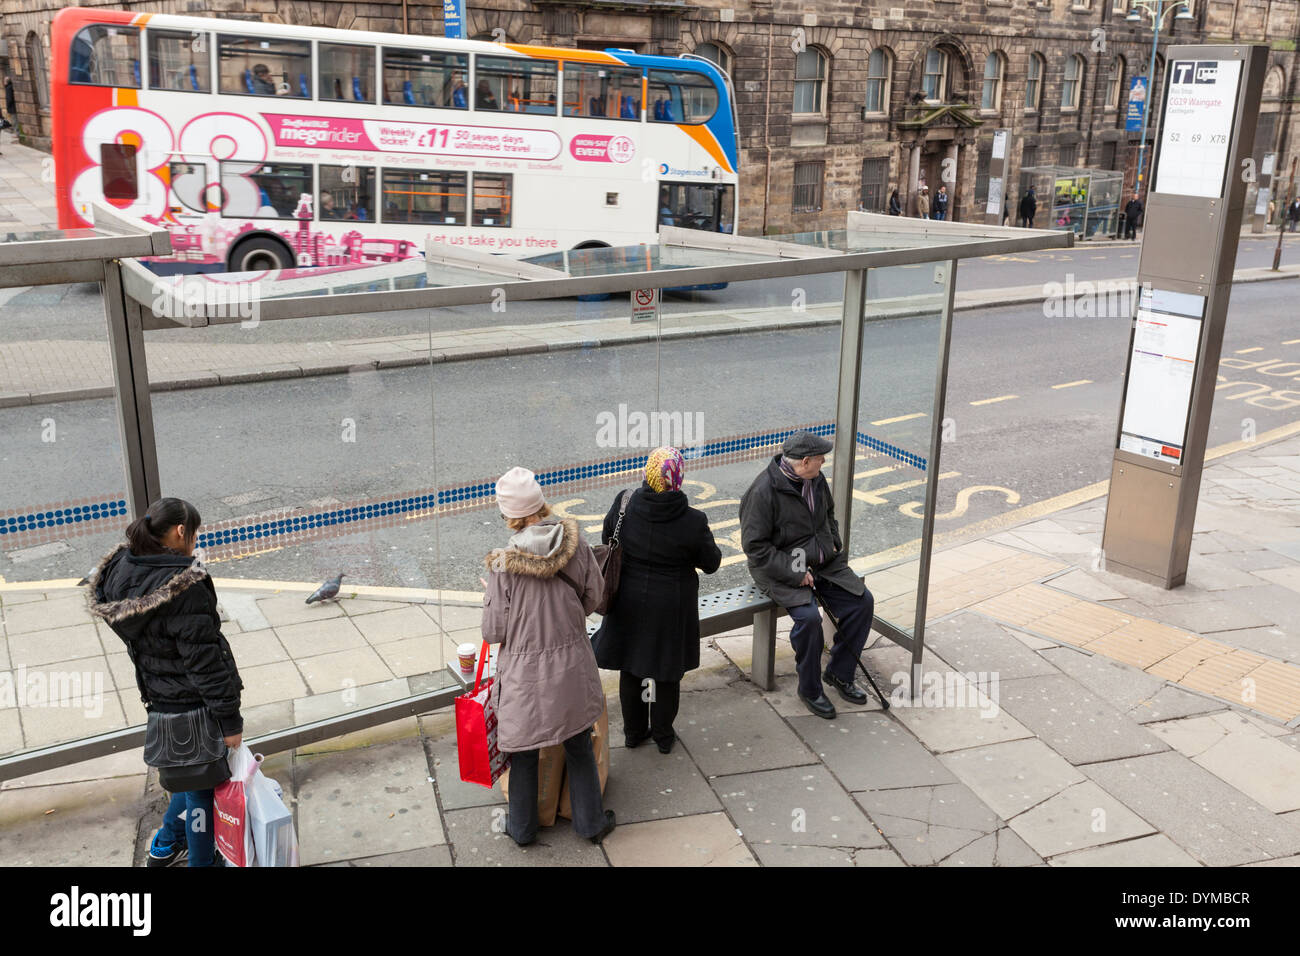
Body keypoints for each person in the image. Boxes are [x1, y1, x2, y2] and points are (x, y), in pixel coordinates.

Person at [87, 497, 243, 867]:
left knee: (190, 774)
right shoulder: (184, 586)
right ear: (179, 532)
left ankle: (165, 845)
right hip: (194, 702)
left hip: (158, 696)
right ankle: (202, 863)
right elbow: (204, 662)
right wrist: (230, 720)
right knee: (202, 793)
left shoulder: (122, 569)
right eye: (194, 533)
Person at [482, 467, 615, 846]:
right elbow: (593, 598)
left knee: (522, 750)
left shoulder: (502, 566)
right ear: (541, 505)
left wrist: (492, 595)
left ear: (510, 515)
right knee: (577, 743)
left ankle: (522, 830)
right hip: (573, 665)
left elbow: (493, 632)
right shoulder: (577, 544)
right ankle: (591, 824)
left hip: (525, 676)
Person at [592, 447, 721, 754]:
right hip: (671, 607)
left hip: (628, 601)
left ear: (647, 474)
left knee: (631, 666)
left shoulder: (625, 503)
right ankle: (663, 735)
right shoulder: (692, 521)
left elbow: (607, 536)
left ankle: (634, 733)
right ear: (678, 478)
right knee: (666, 671)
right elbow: (712, 562)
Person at [739, 432, 875, 719]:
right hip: (781, 569)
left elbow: (828, 513)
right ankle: (810, 689)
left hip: (823, 561)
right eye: (820, 457)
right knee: (809, 619)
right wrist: (794, 572)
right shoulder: (762, 492)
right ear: (804, 461)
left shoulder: (815, 479)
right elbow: (755, 548)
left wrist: (833, 541)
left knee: (862, 602)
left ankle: (839, 673)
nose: (824, 461)